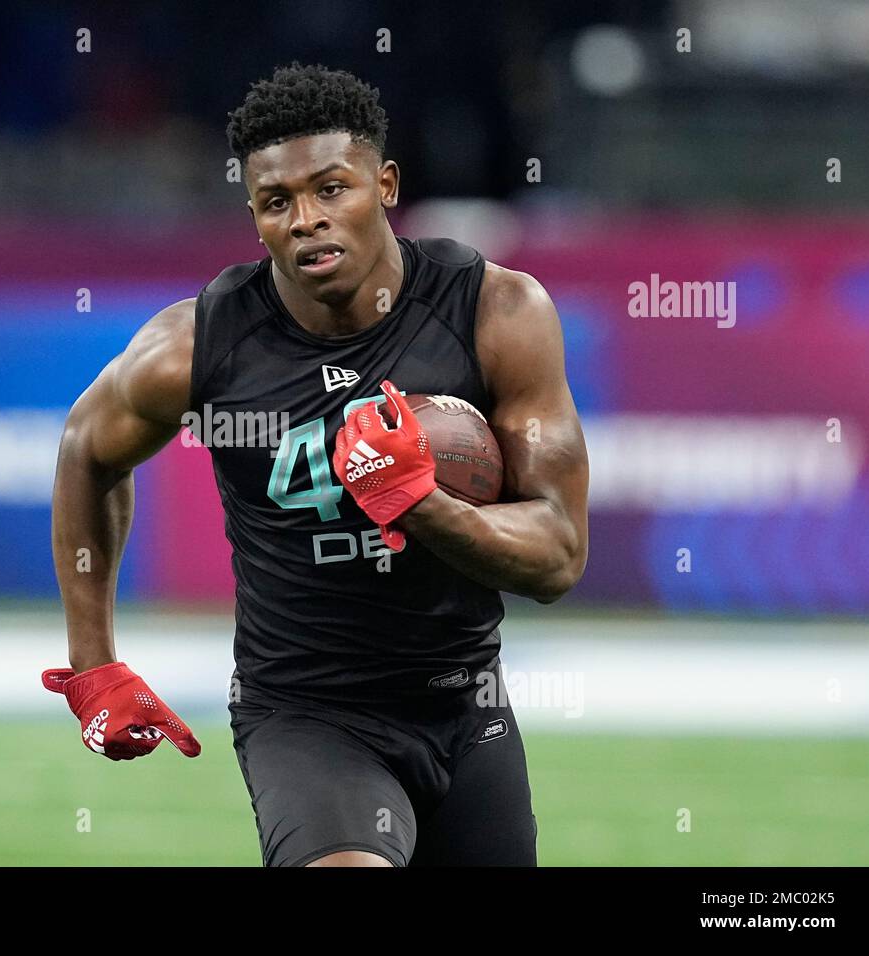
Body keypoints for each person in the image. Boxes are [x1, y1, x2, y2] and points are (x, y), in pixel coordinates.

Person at [44, 62, 589, 867]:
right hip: (307, 715)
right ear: (255, 218)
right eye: (277, 202)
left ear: (386, 184)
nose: (306, 220)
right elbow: (86, 451)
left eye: (332, 189)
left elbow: (558, 556)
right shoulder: (198, 347)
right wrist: (94, 666)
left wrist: (418, 501)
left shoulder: (495, 314)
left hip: (467, 707)